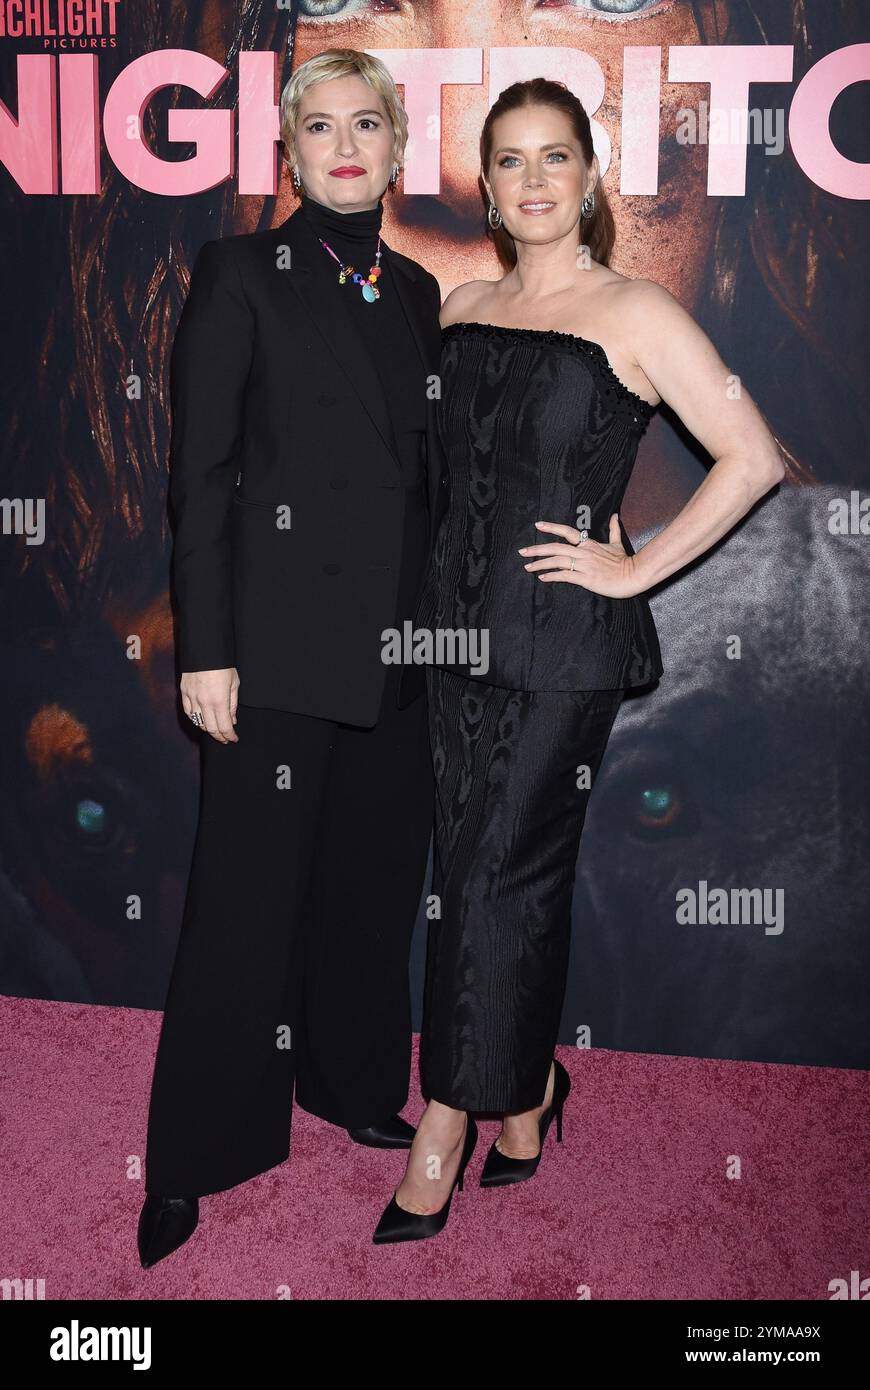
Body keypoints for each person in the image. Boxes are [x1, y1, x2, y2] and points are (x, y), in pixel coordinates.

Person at [372, 77, 785, 1243]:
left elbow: (750, 455)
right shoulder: (457, 303)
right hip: (450, 639)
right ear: (491, 186)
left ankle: (445, 1120)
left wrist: (635, 567)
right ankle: (531, 1092)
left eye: (557, 156)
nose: (534, 178)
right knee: (486, 879)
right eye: (510, 160)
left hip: (562, 647)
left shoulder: (636, 311)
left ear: (592, 177)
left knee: (498, 879)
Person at [138, 49, 445, 1268]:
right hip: (268, 655)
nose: (347, 144)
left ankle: (354, 1081)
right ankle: (192, 1157)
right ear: (289, 151)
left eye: (368, 122)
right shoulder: (240, 273)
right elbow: (198, 478)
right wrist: (205, 651)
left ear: (397, 144)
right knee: (243, 910)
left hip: (399, 654)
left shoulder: (421, 290)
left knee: (372, 891)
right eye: (321, 126)